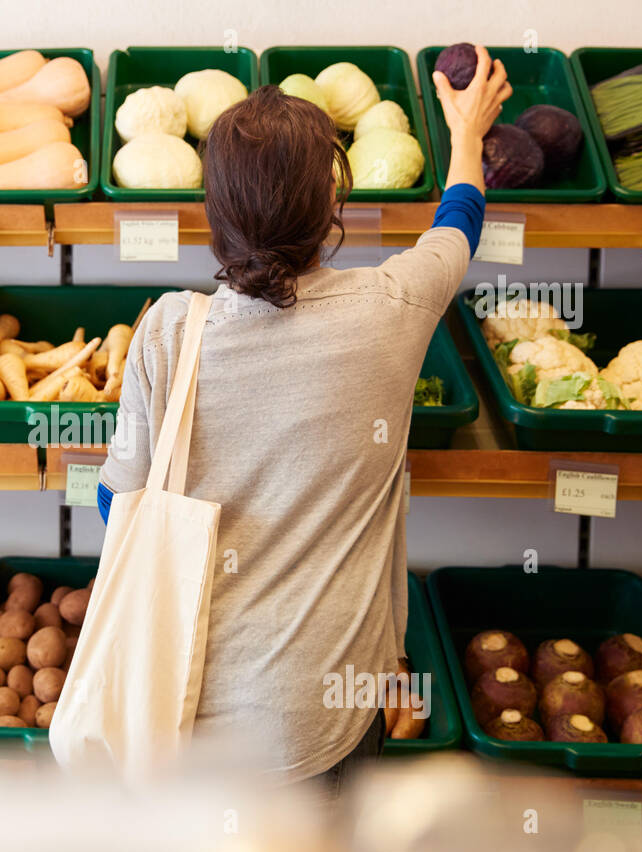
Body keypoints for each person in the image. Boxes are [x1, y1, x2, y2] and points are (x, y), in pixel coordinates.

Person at [95, 49, 511, 793]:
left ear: (213, 210)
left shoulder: (166, 330)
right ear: (331, 207)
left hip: (184, 714)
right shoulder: (394, 306)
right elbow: (458, 224)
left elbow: (114, 506)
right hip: (329, 714)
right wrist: (469, 130)